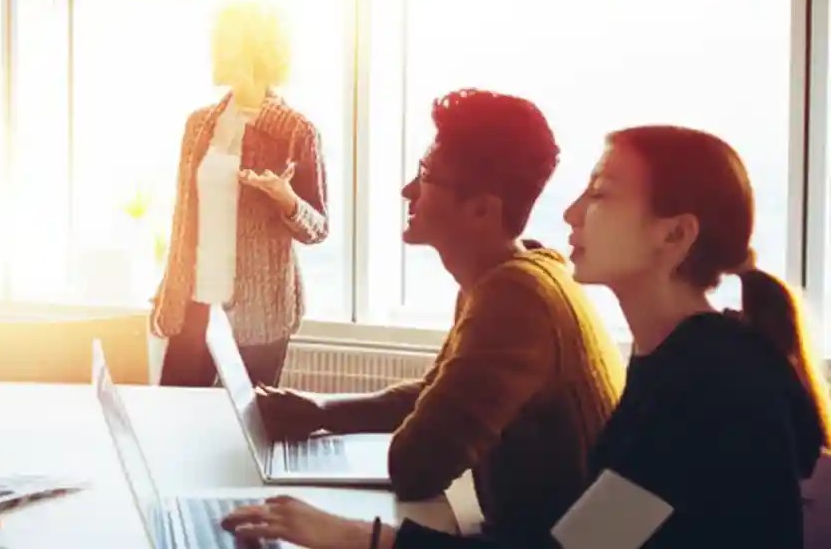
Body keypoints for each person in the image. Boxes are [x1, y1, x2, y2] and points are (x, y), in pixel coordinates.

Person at [224, 125, 830, 548]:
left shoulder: (707, 392)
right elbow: (590, 544)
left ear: (673, 237)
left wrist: (359, 537)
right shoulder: (688, 364)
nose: (569, 215)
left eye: (599, 194)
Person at [253, 89, 626, 541]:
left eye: (426, 175)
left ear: (483, 209)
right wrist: (320, 411)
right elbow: (439, 393)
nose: (407, 190)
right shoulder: (520, 271)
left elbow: (417, 466)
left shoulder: (514, 299)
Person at [151, 0, 329, 389]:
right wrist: (168, 291)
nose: (214, 49)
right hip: (194, 304)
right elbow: (183, 219)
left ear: (254, 49)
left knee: (247, 431)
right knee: (176, 418)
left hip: (260, 313)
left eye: (224, 41)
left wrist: (286, 199)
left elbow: (318, 228)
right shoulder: (199, 125)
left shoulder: (295, 131)